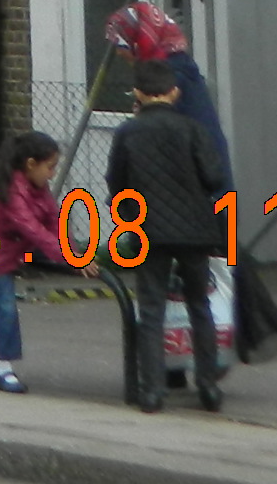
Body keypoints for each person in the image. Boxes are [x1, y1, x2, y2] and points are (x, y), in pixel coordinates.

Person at [105, 0, 277, 366]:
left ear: (139, 38)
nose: (122, 57)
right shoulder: (178, 72)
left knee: (170, 298)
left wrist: (132, 211)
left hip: (177, 211)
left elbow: (162, 154)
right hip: (198, 208)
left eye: (122, 47)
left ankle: (165, 377)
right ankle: (203, 375)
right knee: (198, 295)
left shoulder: (168, 81)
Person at [106, 59, 229, 414]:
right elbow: (215, 178)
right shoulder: (192, 130)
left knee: (151, 309)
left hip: (149, 232)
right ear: (174, 92)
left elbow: (117, 184)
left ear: (139, 94)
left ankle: (152, 391)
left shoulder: (127, 133)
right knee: (199, 307)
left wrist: (132, 221)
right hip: (194, 230)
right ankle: (207, 386)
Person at [0, 130, 70, 395]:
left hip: (24, 245)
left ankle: (5, 367)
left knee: (51, 252)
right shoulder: (13, 190)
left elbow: (54, 222)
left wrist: (73, 255)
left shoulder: (38, 187)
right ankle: (4, 368)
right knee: (6, 304)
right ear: (31, 164)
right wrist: (68, 256)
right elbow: (31, 227)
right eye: (50, 167)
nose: (52, 174)